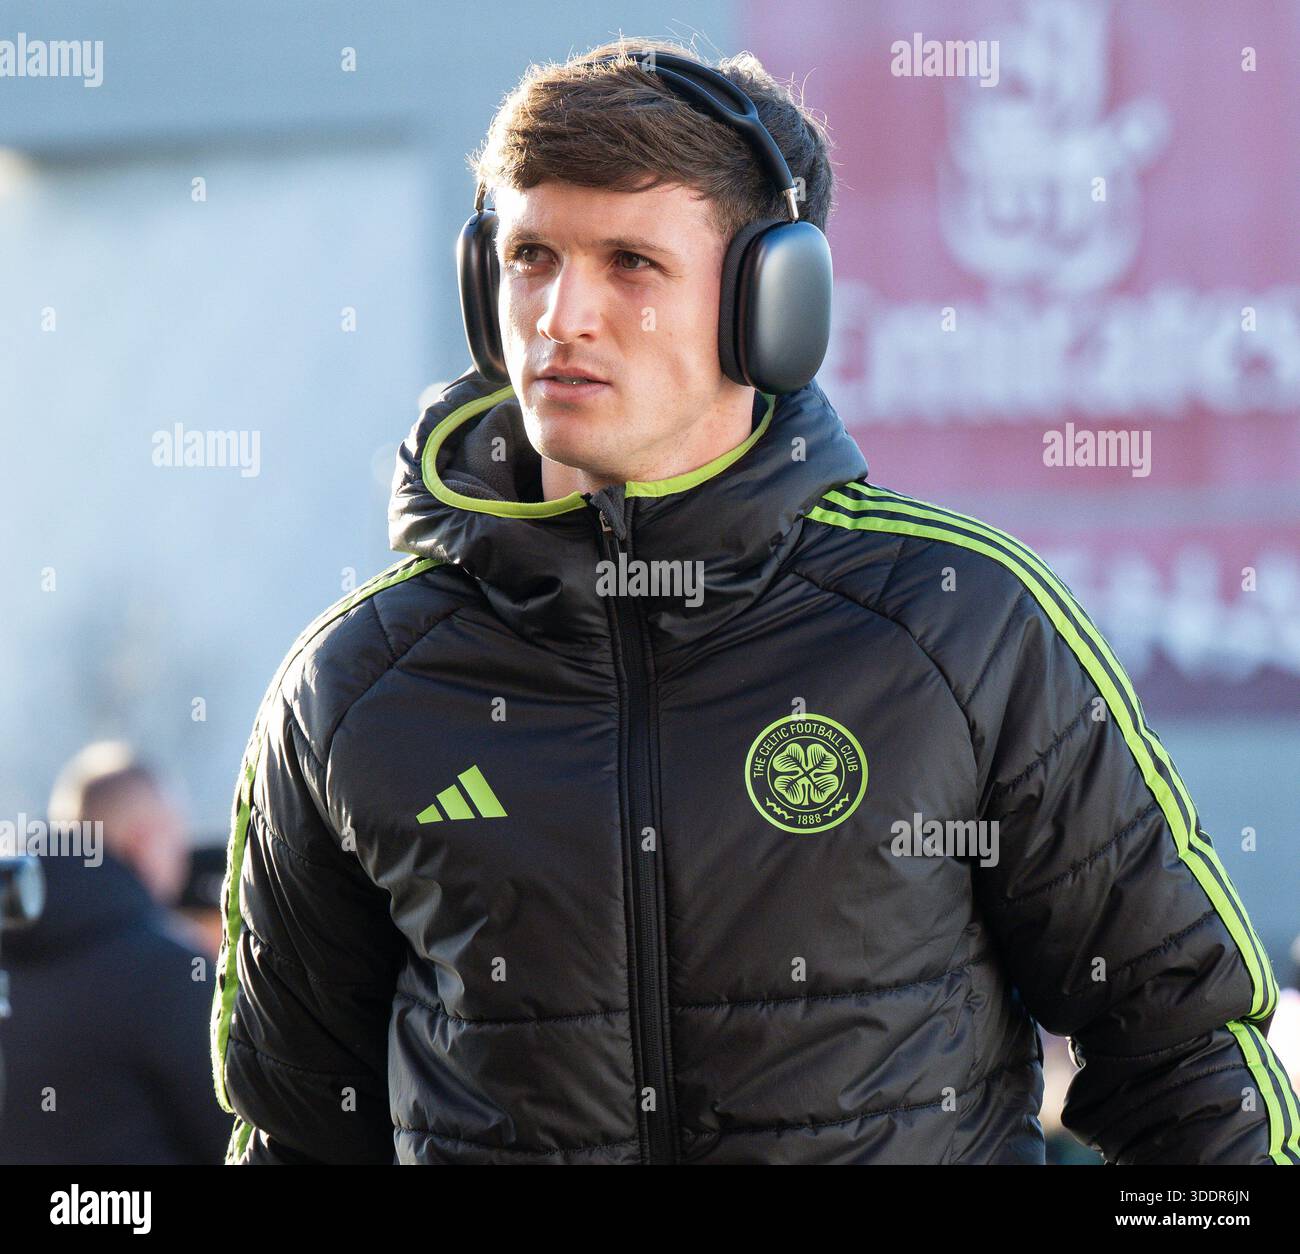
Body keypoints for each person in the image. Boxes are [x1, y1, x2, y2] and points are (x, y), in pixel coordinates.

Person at [211, 38, 1300, 1165]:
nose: (561, 314)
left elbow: (1184, 1061)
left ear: (770, 307)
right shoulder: (352, 687)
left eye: (630, 262)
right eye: (531, 255)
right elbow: (296, 1131)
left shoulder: (958, 625)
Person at [0, 741, 229, 1164]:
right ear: (143, 840)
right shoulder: (166, 971)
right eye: (175, 842)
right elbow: (236, 1142)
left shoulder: (10, 955)